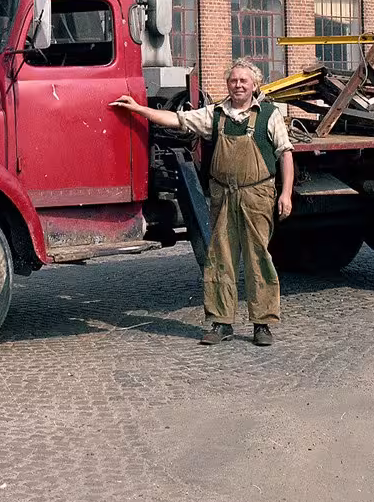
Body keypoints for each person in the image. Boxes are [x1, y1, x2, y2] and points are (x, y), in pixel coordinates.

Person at [111, 59, 294, 347]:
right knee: (220, 258)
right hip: (223, 195)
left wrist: (285, 194)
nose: (238, 85)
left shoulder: (269, 115)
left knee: (259, 258)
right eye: (233, 81)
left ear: (254, 85)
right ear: (227, 84)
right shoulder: (216, 115)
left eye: (243, 81)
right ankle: (222, 323)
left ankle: (263, 324)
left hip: (257, 194)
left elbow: (285, 154)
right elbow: (178, 120)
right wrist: (138, 109)